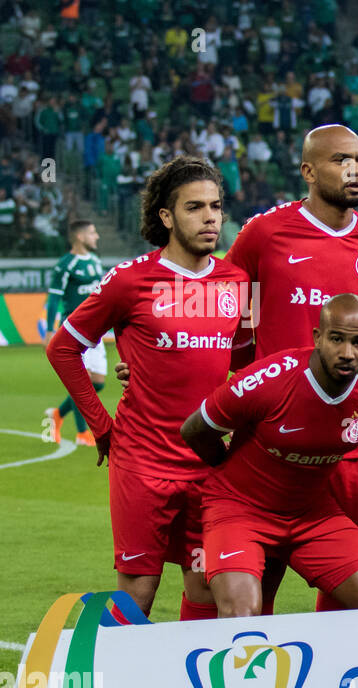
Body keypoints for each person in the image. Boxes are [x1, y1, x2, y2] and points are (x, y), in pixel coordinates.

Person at [45, 156, 249, 620]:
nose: (210, 217)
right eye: (195, 207)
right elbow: (62, 349)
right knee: (138, 592)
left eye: (215, 206)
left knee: (205, 589)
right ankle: (112, 687)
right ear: (166, 216)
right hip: (142, 463)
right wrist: (100, 427)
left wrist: (157, 361)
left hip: (209, 461)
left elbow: (235, 358)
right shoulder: (130, 280)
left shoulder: (234, 281)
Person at [222, 124, 358, 613]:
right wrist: (169, 357)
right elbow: (226, 304)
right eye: (340, 160)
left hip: (349, 437)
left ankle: (340, 681)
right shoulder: (265, 232)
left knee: (351, 584)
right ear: (307, 170)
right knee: (256, 585)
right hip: (273, 436)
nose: (354, 170)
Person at [179, 294, 358, 616]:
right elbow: (194, 429)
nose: (347, 353)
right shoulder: (268, 380)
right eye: (336, 339)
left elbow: (350, 440)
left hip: (312, 514)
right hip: (240, 511)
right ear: (318, 338)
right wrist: (228, 468)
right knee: (242, 615)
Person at [42, 219, 104, 446]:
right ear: (80, 237)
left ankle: (58, 414)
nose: (96, 236)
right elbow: (54, 298)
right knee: (84, 380)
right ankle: (82, 433)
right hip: (74, 329)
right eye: (92, 232)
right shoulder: (66, 264)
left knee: (98, 382)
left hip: (95, 329)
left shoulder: (96, 263)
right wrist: (49, 330)